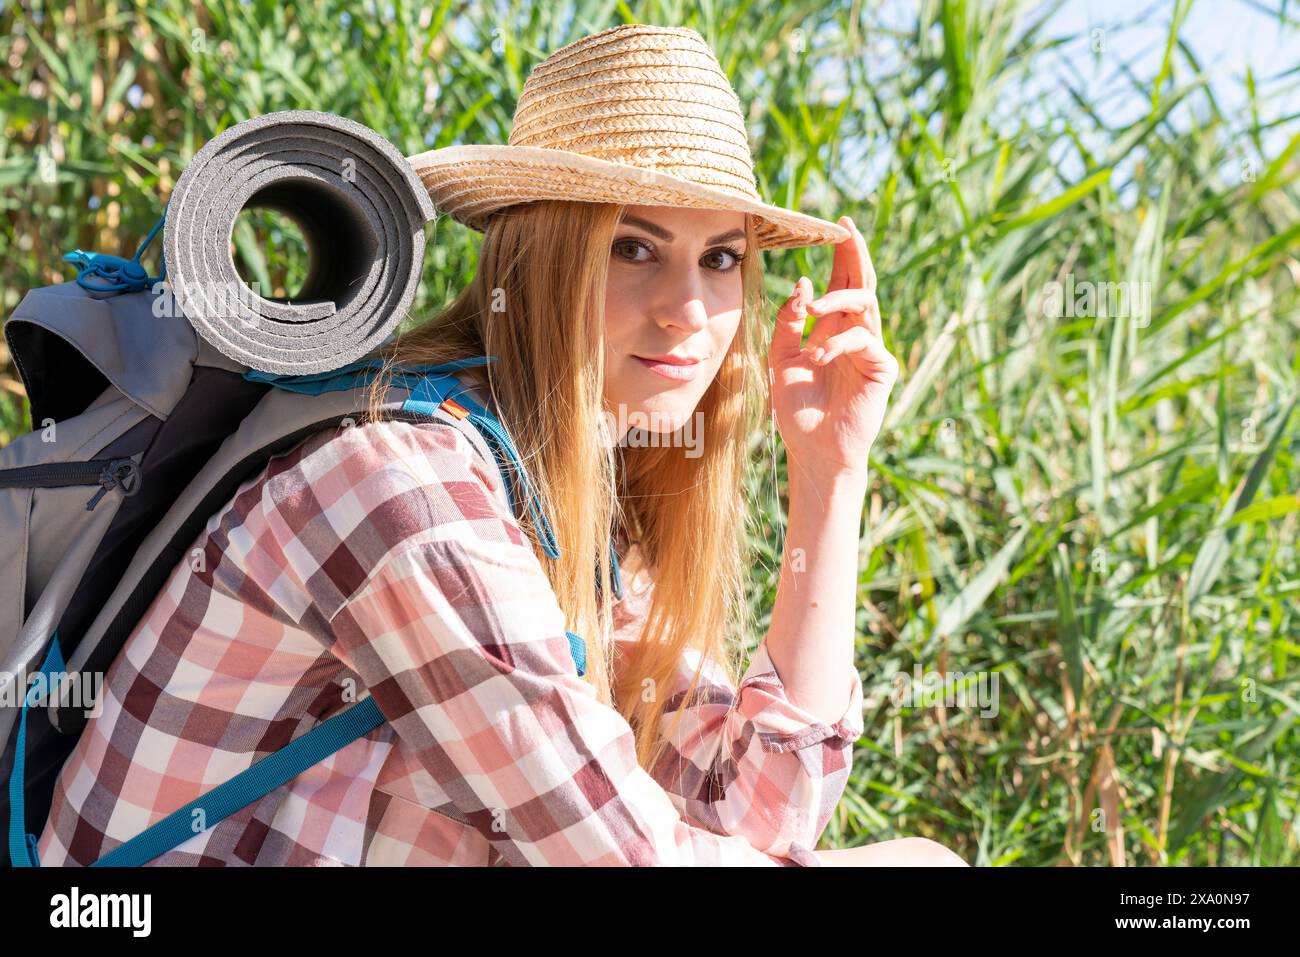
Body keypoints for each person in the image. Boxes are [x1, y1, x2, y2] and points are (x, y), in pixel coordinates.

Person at [38, 22, 966, 867]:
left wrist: (829, 470)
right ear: (538, 259)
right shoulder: (403, 488)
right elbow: (625, 859)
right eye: (633, 247)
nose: (689, 309)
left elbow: (761, 808)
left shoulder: (559, 505)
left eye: (720, 257)